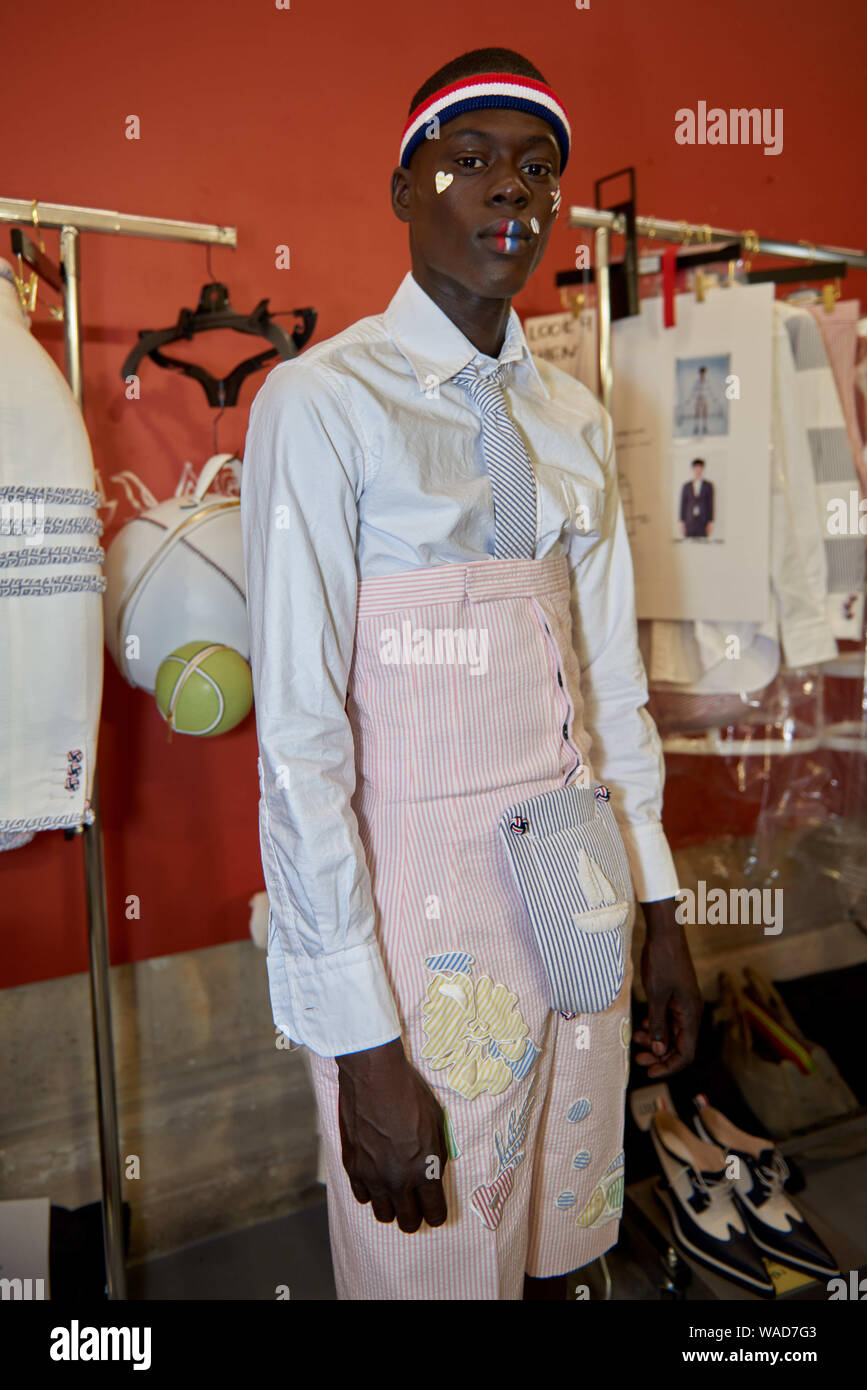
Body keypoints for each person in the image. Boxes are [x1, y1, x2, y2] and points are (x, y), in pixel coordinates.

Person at [241, 45, 701, 1302]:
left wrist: (660, 911)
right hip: (422, 940)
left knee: (560, 1241)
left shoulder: (572, 417)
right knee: (433, 1267)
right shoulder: (323, 405)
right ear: (405, 188)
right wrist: (358, 1038)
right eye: (473, 158)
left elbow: (610, 684)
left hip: (579, 892)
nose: (514, 189)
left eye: (539, 167)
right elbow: (296, 737)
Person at [680, 458, 714, 538]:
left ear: (703, 469)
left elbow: (710, 504)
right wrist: (682, 522)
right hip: (689, 520)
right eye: (696, 468)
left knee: (702, 544)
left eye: (700, 468)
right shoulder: (686, 486)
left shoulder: (708, 486)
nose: (698, 470)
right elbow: (683, 504)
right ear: (693, 469)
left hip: (703, 520)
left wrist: (710, 522)